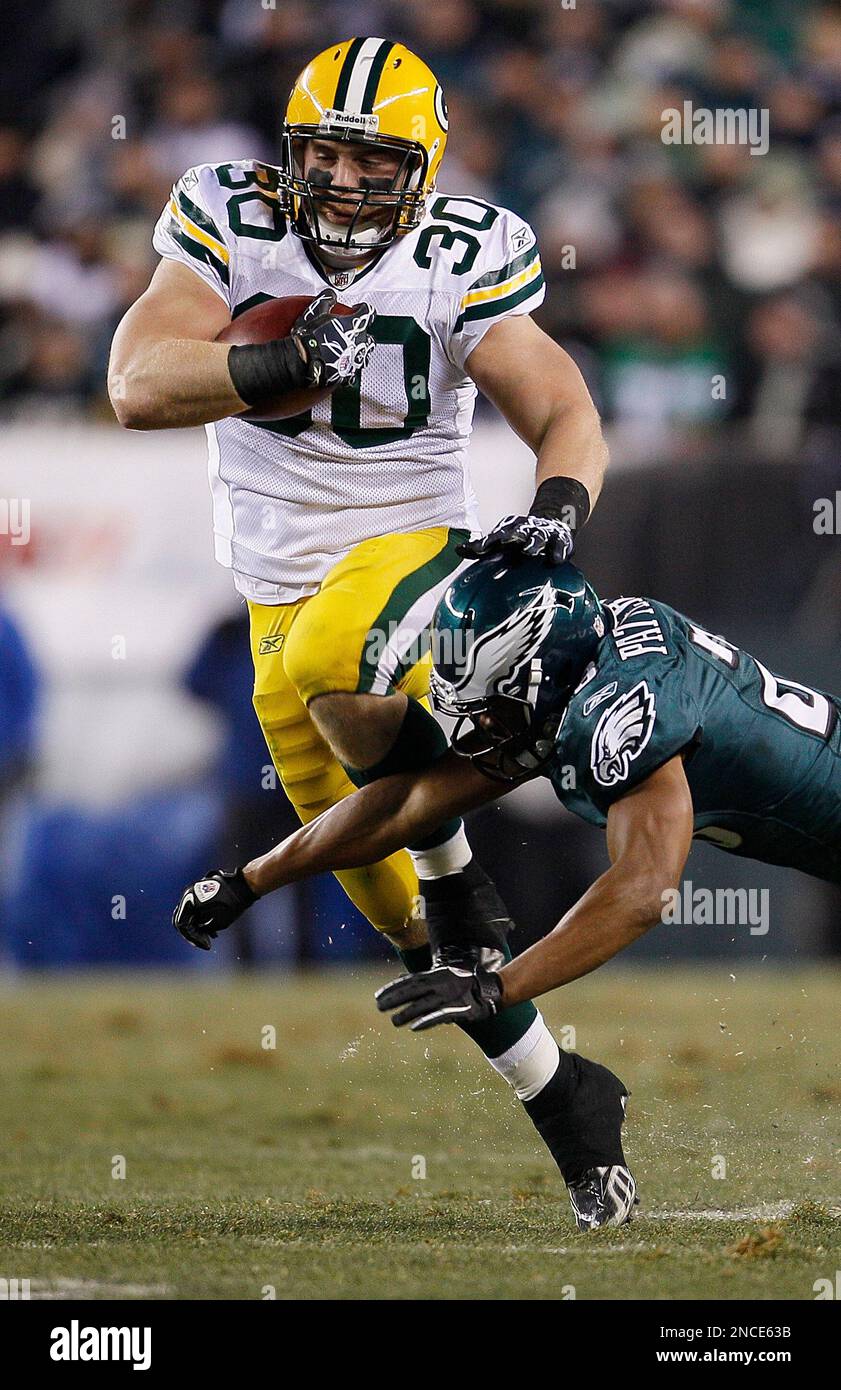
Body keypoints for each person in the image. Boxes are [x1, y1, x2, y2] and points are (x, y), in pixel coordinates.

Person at [110, 39, 618, 1226]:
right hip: (273, 589)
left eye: (370, 161)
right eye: (324, 155)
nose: (341, 184)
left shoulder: (459, 252)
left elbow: (563, 407)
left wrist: (556, 505)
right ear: (290, 154)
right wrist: (278, 358)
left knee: (341, 651)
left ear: (425, 169)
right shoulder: (228, 214)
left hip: (408, 561)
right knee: (389, 901)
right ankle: (568, 1099)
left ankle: (453, 877)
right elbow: (135, 384)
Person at [174, 556, 841, 1217]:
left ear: (540, 669)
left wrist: (499, 987)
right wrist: (249, 880)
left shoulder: (619, 710)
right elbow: (403, 804)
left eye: (491, 707)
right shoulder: (579, 672)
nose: (477, 725)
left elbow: (644, 890)